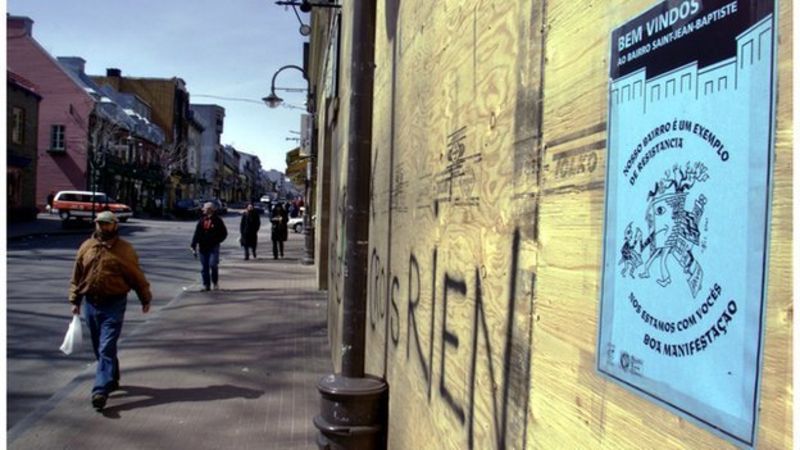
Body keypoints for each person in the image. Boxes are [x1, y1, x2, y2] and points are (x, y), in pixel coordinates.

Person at [68, 211, 152, 411]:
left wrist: (145, 298)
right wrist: (75, 299)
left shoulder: (124, 250)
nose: (103, 227)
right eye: (100, 224)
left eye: (107, 224)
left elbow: (136, 276)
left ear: (115, 225)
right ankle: (112, 377)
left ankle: (100, 390)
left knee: (106, 346)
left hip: (114, 302)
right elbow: (77, 275)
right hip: (91, 302)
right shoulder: (86, 247)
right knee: (99, 346)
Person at [191, 202, 228, 290]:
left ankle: (215, 282)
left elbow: (224, 233)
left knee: (213, 264)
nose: (203, 209)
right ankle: (206, 285)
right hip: (203, 247)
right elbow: (197, 233)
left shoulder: (217, 220)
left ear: (210, 209)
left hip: (213, 247)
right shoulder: (202, 220)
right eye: (203, 208)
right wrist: (193, 244)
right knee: (205, 267)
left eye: (205, 208)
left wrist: (217, 240)